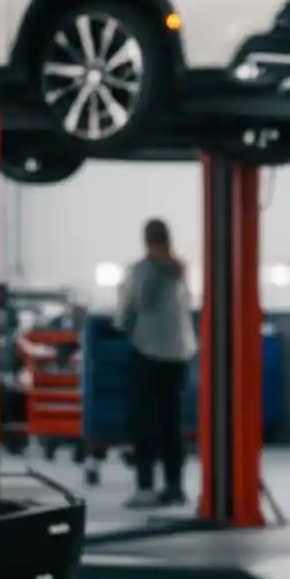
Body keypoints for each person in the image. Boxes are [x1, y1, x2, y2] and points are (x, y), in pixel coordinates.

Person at [115, 218, 197, 509]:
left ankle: (145, 488)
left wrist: (123, 325)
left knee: (144, 422)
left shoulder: (143, 270)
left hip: (148, 352)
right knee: (172, 423)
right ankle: (174, 487)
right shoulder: (180, 269)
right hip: (179, 355)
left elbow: (130, 308)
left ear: (146, 239)